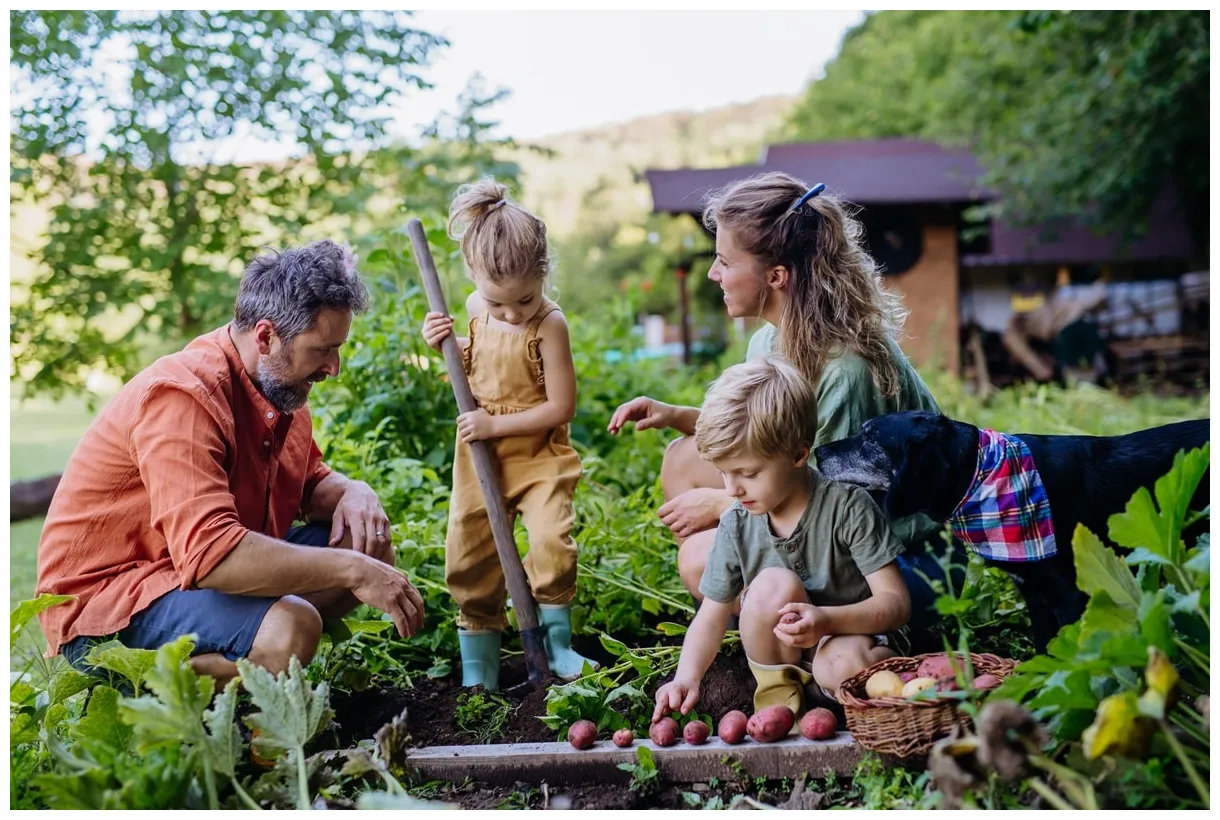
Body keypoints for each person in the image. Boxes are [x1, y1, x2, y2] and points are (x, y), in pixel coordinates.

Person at [36, 240, 425, 686]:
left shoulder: (280, 389)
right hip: (109, 603)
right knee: (291, 628)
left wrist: (356, 491)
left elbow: (308, 482)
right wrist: (351, 571)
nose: (334, 367)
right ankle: (142, 697)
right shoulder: (183, 398)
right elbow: (212, 557)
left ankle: (260, 678)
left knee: (366, 541)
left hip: (185, 579)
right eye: (322, 350)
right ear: (265, 336)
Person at [609, 172, 953, 629]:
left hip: (899, 564)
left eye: (725, 262)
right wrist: (676, 416)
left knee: (698, 559)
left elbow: (830, 496)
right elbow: (767, 436)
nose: (714, 274)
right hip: (825, 518)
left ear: (775, 276)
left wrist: (721, 505)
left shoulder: (845, 370)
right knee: (682, 457)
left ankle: (782, 617)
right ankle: (758, 604)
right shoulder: (771, 339)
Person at [652, 357, 911, 721]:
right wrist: (686, 677)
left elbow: (896, 603)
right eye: (723, 473)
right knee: (771, 584)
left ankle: (867, 683)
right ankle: (779, 699)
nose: (731, 488)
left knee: (840, 666)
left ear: (798, 455)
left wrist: (825, 620)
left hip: (847, 638)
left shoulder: (847, 507)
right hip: (784, 655)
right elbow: (711, 617)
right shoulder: (737, 521)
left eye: (747, 473)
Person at [421, 178, 596, 691]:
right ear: (474, 279)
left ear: (543, 273)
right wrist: (444, 344)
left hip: (538, 454)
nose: (512, 314)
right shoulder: (478, 309)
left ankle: (557, 646)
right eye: (498, 304)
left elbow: (561, 406)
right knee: (469, 551)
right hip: (481, 456)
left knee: (550, 542)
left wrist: (496, 423)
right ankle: (480, 662)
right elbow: (476, 361)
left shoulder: (549, 324)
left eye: (524, 298)